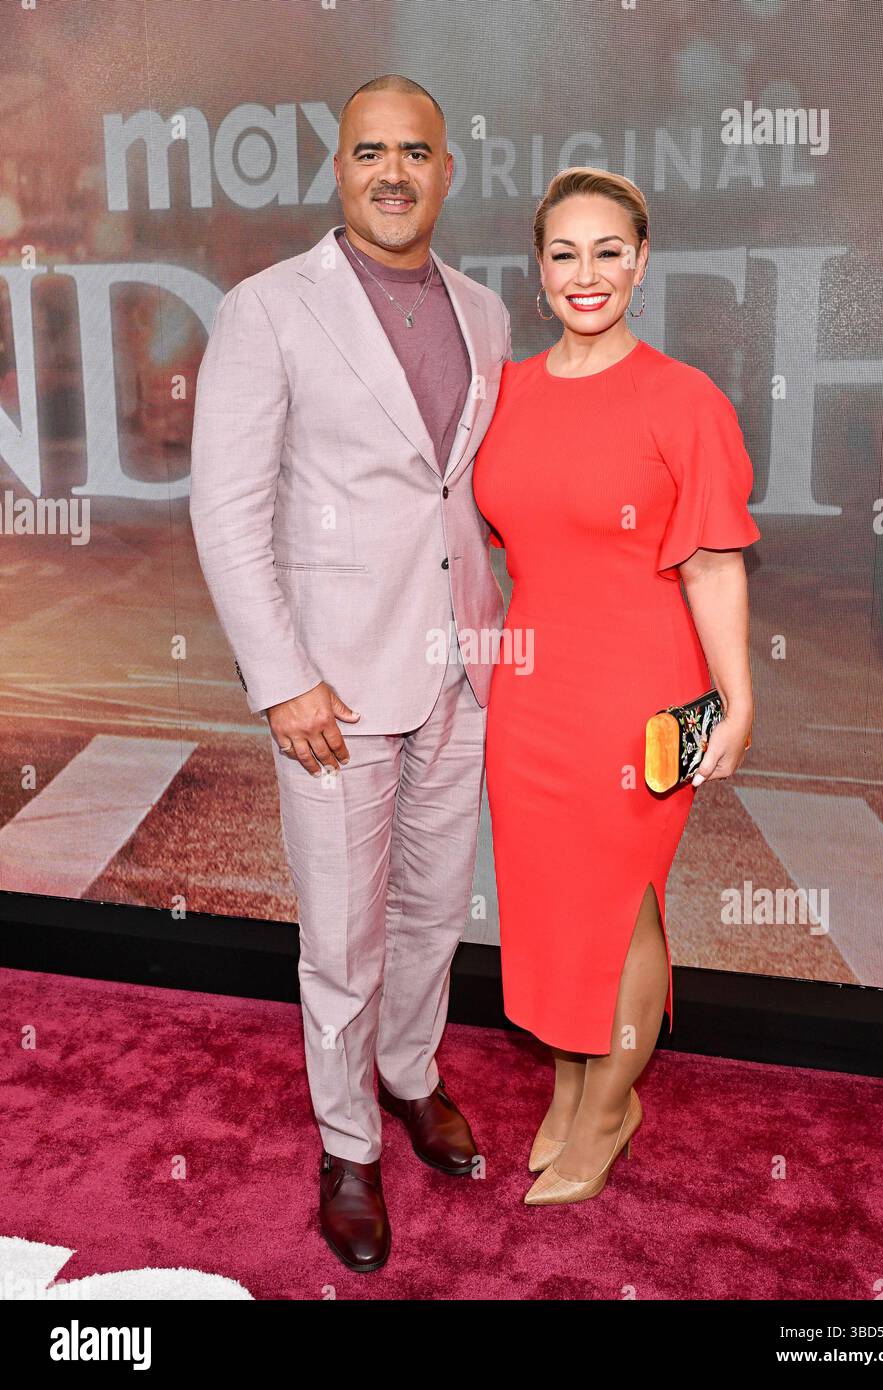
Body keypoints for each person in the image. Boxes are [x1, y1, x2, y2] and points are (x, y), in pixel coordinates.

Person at [189, 75, 510, 1271]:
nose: (391, 171)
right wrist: (281, 679)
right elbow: (225, 512)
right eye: (368, 151)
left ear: (444, 168)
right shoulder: (268, 308)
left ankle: (410, 1073)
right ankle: (347, 1145)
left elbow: (458, 496)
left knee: (434, 910)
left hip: (455, 666)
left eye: (413, 151)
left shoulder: (484, 312)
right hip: (330, 686)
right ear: (337, 167)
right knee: (342, 935)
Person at [473, 167, 761, 1206]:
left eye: (608, 252)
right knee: (545, 903)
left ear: (640, 262)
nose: (585, 274)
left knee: (620, 903)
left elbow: (714, 562)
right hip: (531, 683)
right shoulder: (503, 389)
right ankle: (566, 1083)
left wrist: (736, 697)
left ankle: (608, 1106)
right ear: (536, 269)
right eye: (564, 254)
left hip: (643, 690)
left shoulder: (683, 400)